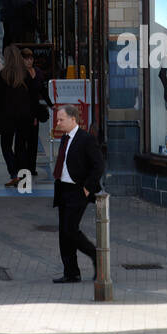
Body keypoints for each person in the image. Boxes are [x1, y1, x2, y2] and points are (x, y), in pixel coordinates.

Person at [52, 104, 104, 283]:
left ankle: (97, 257)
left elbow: (98, 165)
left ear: (73, 119)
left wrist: (88, 187)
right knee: (63, 233)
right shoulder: (64, 138)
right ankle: (71, 272)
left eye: (61, 119)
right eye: (57, 120)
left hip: (78, 190)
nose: (58, 123)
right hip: (63, 190)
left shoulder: (86, 139)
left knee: (70, 230)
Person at [0, 46, 33, 187]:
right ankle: (22, 177)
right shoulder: (25, 75)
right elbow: (32, 97)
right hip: (24, 117)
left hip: (6, 117)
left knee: (6, 145)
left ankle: (14, 173)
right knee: (21, 146)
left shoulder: (2, 75)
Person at [23, 47, 51, 174]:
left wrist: (51, 104)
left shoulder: (38, 72)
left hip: (35, 109)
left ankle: (31, 167)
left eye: (31, 58)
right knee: (24, 139)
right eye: (26, 58)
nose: (29, 61)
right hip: (24, 110)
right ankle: (24, 166)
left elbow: (43, 91)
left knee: (33, 139)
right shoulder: (21, 74)